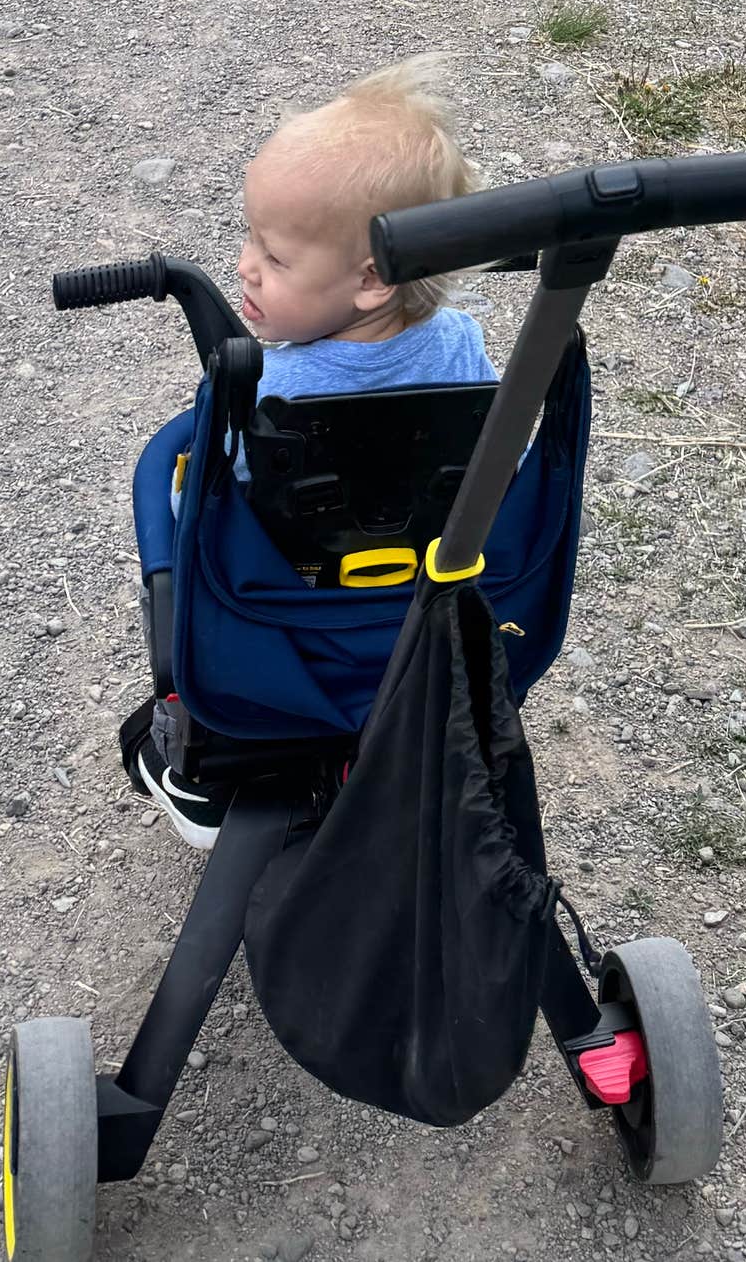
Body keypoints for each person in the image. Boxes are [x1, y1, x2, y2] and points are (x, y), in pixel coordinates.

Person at [125, 56, 496, 848]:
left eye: (275, 257)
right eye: (250, 241)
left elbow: (209, 516)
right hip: (420, 611)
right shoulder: (464, 346)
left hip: (287, 626)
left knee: (180, 504)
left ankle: (200, 762)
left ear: (371, 281)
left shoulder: (272, 391)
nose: (244, 266)